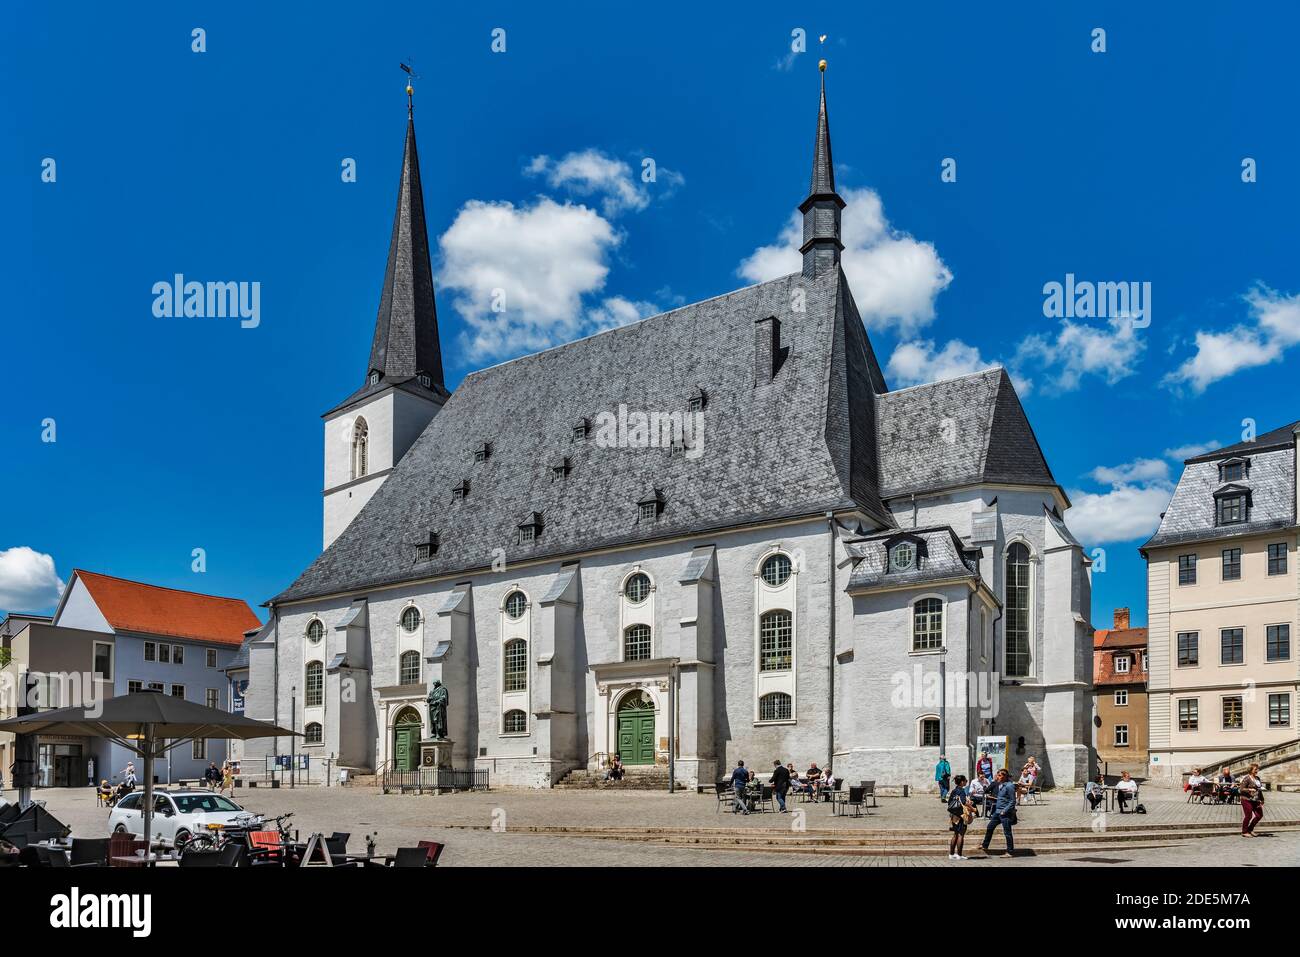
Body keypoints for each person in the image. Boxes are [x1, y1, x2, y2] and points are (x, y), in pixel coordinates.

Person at [980, 769, 1017, 856]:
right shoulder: (1001, 785)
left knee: (1007, 832)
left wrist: (1005, 810)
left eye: (999, 775)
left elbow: (1012, 801)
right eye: (997, 775)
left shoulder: (1009, 786)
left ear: (1004, 776)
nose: (997, 777)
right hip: (998, 812)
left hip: (1005, 812)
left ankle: (1010, 851)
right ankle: (985, 845)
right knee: (990, 827)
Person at [947, 774, 975, 860]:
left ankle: (951, 854)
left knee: (955, 834)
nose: (966, 782)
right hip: (961, 815)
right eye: (966, 780)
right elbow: (963, 802)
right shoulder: (961, 791)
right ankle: (959, 854)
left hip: (954, 815)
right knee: (961, 835)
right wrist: (972, 808)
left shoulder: (954, 791)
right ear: (962, 782)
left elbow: (949, 803)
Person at [1239, 764, 1264, 837]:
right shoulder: (1247, 778)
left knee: (1259, 815)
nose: (1257, 771)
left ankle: (1250, 829)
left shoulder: (1257, 778)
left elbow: (1259, 789)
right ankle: (1244, 831)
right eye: (1255, 769)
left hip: (1256, 799)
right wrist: (1249, 789)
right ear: (1250, 770)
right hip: (1246, 799)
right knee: (1248, 816)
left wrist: (1262, 799)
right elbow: (1241, 789)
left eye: (1257, 769)